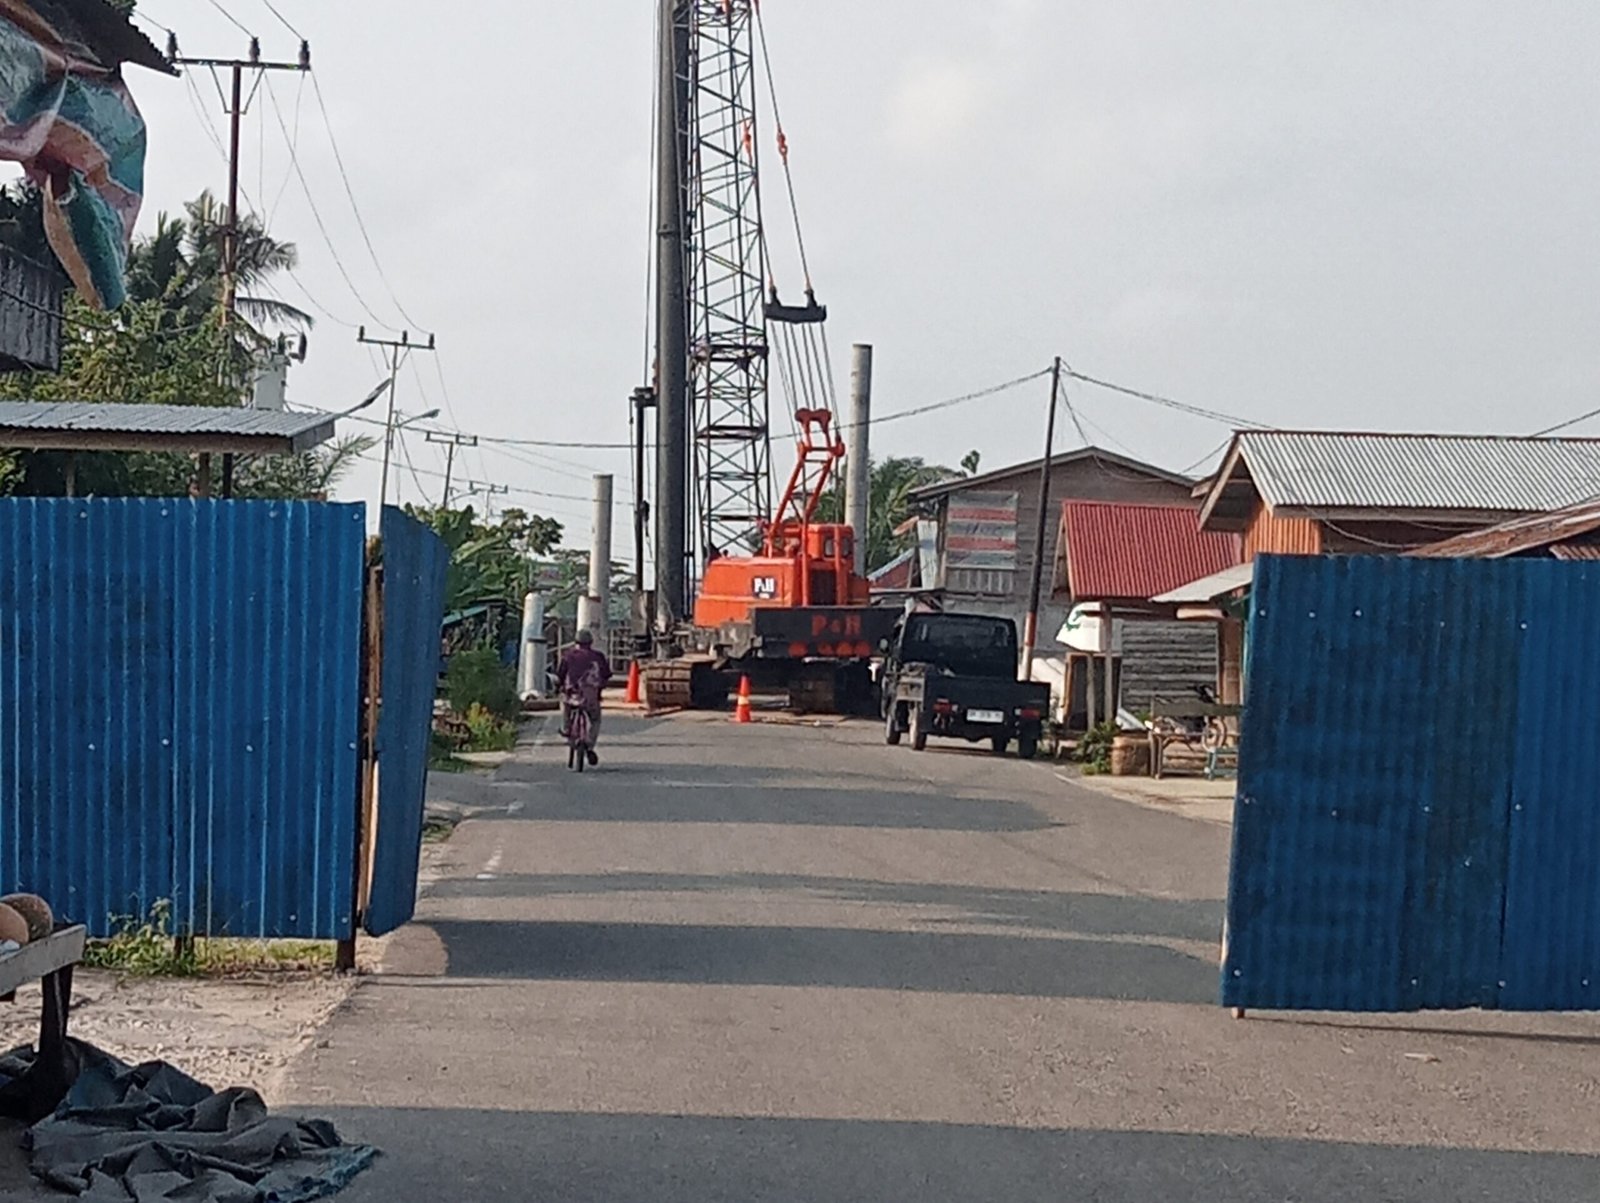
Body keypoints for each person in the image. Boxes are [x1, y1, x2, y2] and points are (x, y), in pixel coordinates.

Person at [557, 629, 612, 765]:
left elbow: (560, 675)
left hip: (572, 696)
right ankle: (589, 743)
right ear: (591, 642)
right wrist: (600, 686)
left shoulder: (568, 656)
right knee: (595, 720)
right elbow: (606, 675)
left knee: (566, 709)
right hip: (591, 697)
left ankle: (567, 730)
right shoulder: (598, 656)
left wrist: (559, 687)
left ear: (576, 642)